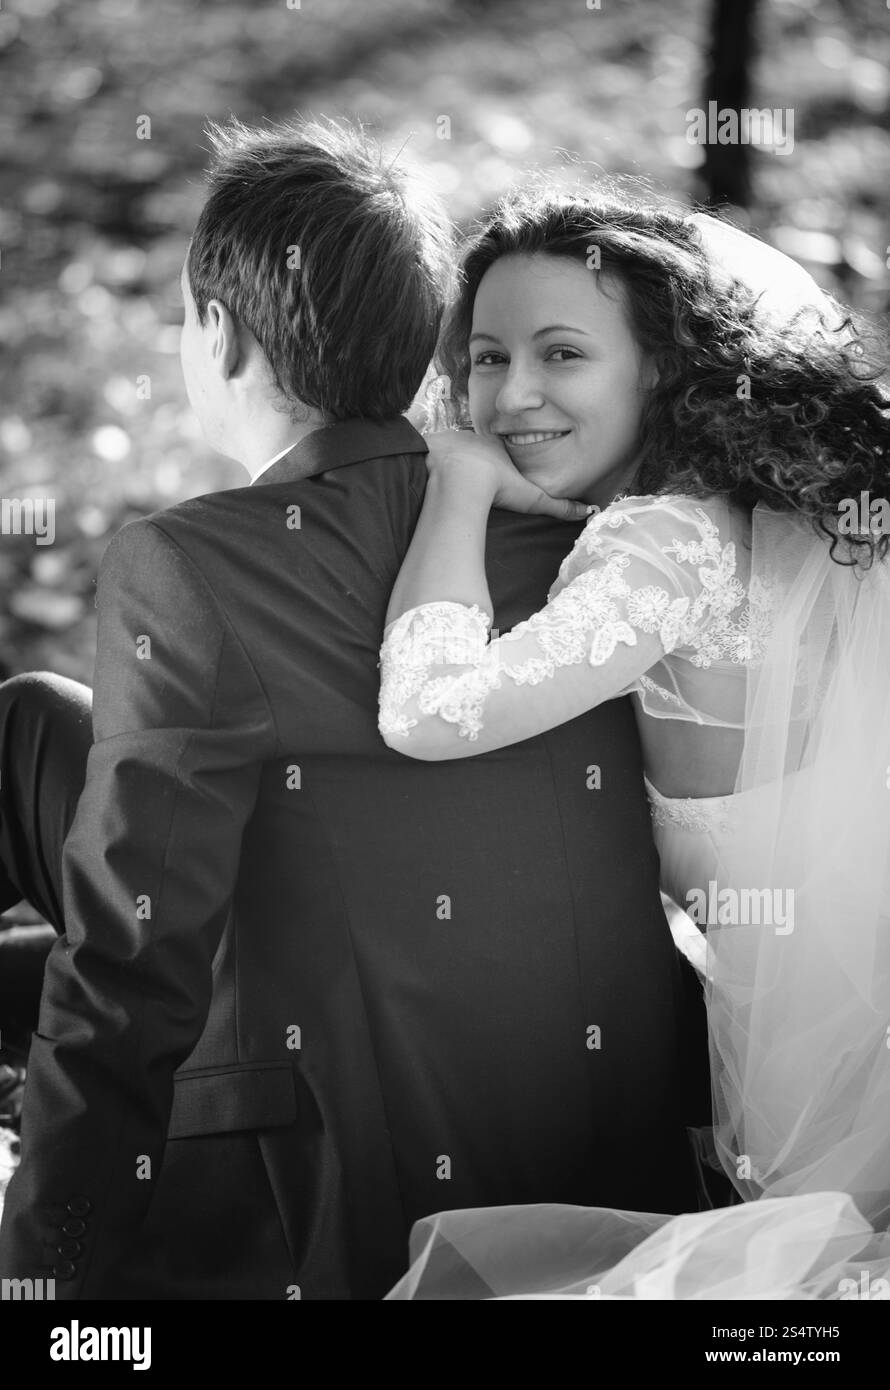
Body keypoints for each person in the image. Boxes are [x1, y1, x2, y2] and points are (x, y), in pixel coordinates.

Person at [0, 120, 705, 1300]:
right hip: (592, 1148)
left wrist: (46, 1274)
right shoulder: (569, 531)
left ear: (219, 333)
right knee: (39, 730)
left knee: (37, 758)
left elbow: (135, 966)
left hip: (332, 1190)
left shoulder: (189, 565)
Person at [378, 190, 890, 1298]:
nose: (510, 395)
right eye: (485, 357)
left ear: (659, 366)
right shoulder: (748, 506)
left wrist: (458, 492)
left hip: (834, 1059)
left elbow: (430, 711)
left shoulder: (658, 539)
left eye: (561, 354)